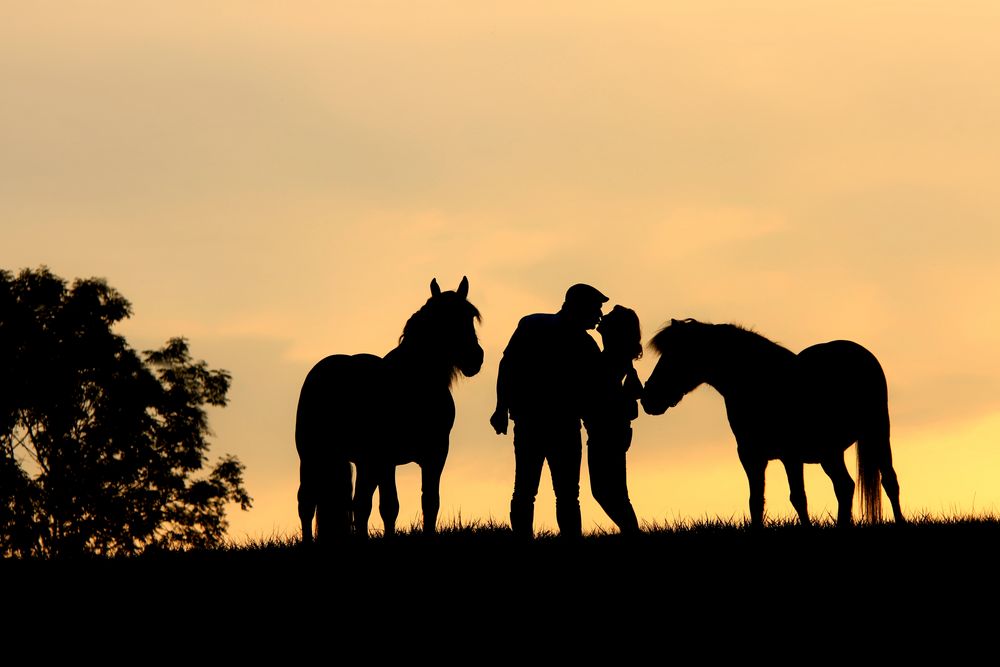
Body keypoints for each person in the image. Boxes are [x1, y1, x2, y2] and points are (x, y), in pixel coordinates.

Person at [490, 284, 607, 539]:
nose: (599, 315)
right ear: (579, 307)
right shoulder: (582, 343)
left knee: (532, 491)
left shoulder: (533, 325)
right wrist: (501, 407)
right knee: (560, 494)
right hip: (555, 425)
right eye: (596, 308)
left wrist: (501, 408)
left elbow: (507, 366)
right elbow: (508, 366)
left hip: (540, 423)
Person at [586, 305, 643, 534]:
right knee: (613, 491)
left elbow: (611, 391)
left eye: (608, 317)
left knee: (606, 491)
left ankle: (632, 532)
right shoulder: (616, 355)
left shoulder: (613, 356)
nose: (602, 317)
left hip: (608, 429)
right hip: (610, 428)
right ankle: (631, 532)